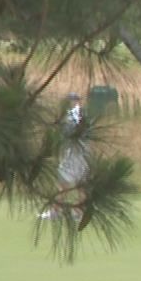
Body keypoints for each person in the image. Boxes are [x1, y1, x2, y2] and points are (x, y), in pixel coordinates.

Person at [42, 93, 88, 223]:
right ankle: (78, 212)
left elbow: (66, 134)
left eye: (72, 100)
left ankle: (59, 211)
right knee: (76, 185)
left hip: (74, 153)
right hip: (80, 153)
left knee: (67, 184)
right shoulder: (83, 115)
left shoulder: (72, 116)